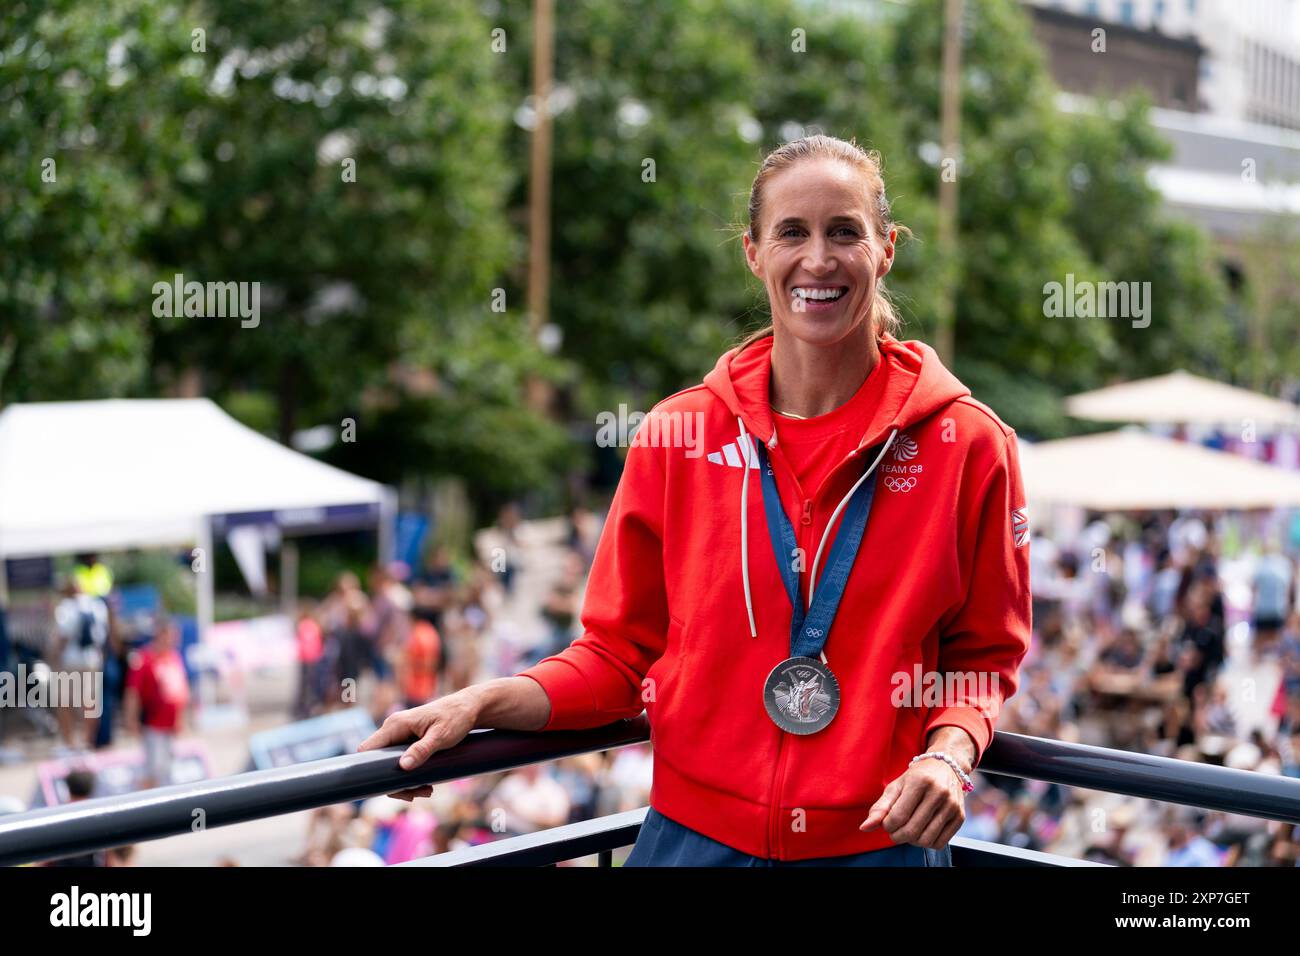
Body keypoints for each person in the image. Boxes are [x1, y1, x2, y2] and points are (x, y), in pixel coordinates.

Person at [360, 134, 1032, 866]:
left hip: (876, 846)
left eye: (845, 232)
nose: (818, 259)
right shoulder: (676, 434)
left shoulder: (966, 445)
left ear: (887, 248)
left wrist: (950, 753)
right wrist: (483, 702)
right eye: (791, 234)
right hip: (691, 842)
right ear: (753, 252)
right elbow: (618, 656)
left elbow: (986, 657)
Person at [123, 619, 190, 789]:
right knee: (153, 769)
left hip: (169, 723)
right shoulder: (144, 659)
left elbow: (180, 690)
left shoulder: (173, 657)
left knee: (167, 768)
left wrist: (180, 718)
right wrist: (131, 718)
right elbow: (133, 692)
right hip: (153, 723)